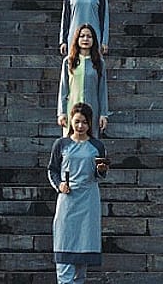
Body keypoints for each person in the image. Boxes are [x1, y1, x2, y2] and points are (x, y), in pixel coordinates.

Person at [48, 102, 108, 283]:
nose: (80, 126)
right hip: (68, 198)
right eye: (77, 121)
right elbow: (52, 170)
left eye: (84, 122)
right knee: (65, 246)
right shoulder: (61, 144)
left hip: (88, 199)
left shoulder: (97, 146)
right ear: (71, 122)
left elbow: (100, 174)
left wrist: (102, 169)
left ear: (90, 124)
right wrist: (59, 185)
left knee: (83, 253)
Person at [58, 24, 109, 136]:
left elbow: (102, 90)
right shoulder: (69, 61)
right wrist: (61, 113)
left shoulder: (99, 63)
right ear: (77, 39)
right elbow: (63, 89)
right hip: (72, 106)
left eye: (89, 36)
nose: (85, 39)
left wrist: (103, 114)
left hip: (92, 107)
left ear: (93, 40)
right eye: (82, 36)